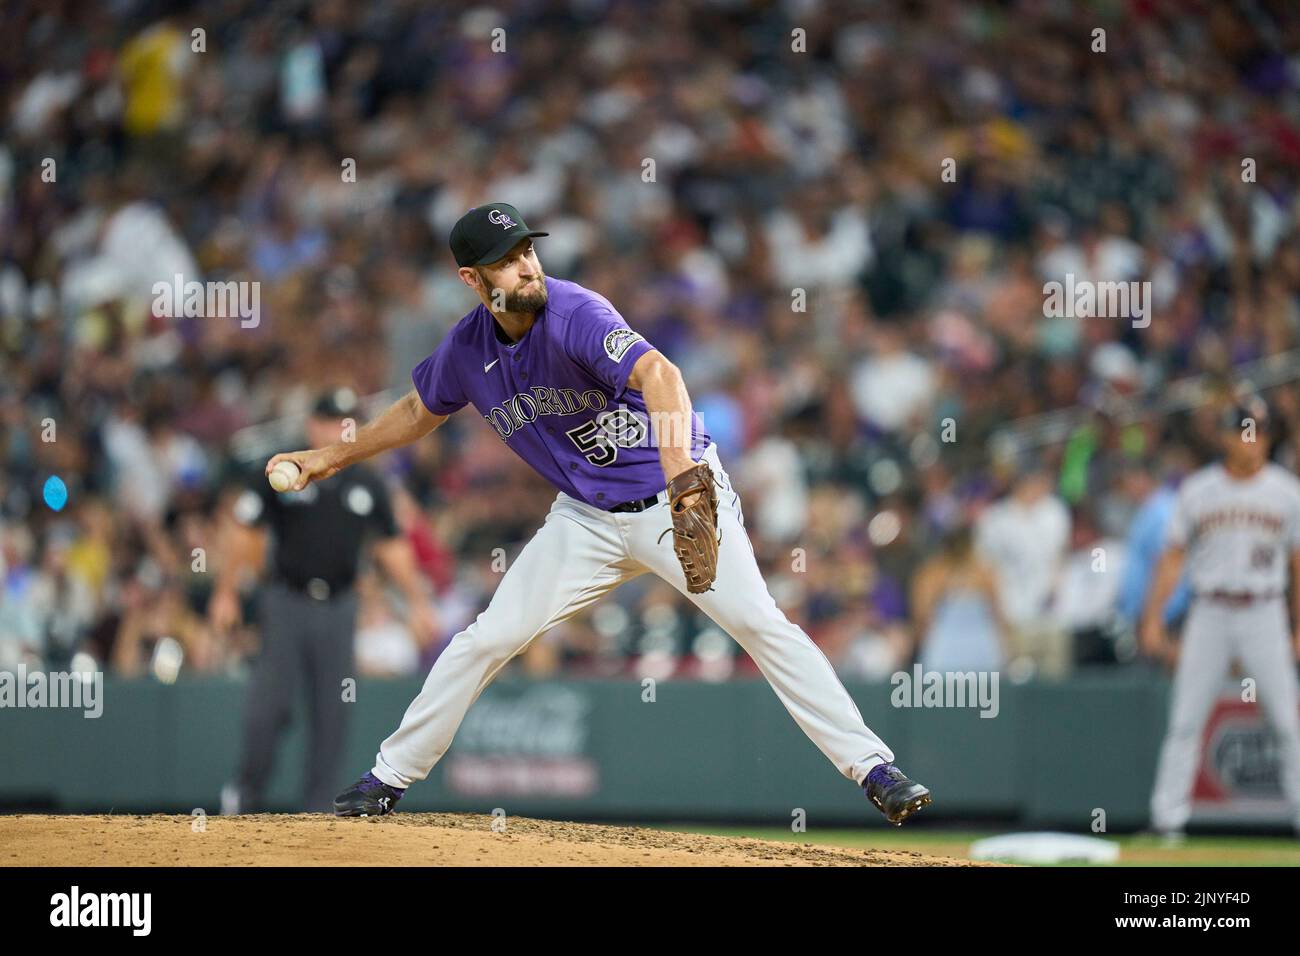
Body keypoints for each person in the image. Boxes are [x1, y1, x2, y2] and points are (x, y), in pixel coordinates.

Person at [266, 203, 932, 825]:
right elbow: (417, 412)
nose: (526, 266)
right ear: (472, 279)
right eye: (507, 259)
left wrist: (686, 483)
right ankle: (387, 778)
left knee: (762, 625)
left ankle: (874, 769)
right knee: (489, 637)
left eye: (528, 251)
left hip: (676, 502)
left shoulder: (575, 313)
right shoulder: (468, 348)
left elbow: (663, 376)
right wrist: (327, 458)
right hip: (585, 517)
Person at [209, 388, 436, 812]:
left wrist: (418, 602)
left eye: (347, 422)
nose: (339, 429)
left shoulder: (367, 482)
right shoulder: (284, 470)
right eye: (332, 420)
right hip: (286, 601)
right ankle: (243, 795)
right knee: (269, 707)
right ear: (313, 424)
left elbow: (392, 545)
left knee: (333, 713)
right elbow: (243, 529)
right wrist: (225, 591)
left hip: (340, 606)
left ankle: (317, 814)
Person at [1142, 394, 1300, 838]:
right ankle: (1166, 823)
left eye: (1262, 431)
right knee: (1185, 720)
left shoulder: (1288, 492)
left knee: (1288, 723)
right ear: (1228, 436)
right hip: (1209, 610)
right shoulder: (1198, 490)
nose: (1255, 440)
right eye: (1246, 430)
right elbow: (1172, 559)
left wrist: (1298, 625)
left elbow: (1297, 565)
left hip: (1265, 610)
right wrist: (1153, 617)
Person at [911, 526, 1009, 673]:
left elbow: (998, 613)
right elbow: (922, 614)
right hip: (945, 645)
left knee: (985, 692)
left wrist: (1003, 647)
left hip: (981, 643)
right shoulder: (932, 573)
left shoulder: (985, 572)